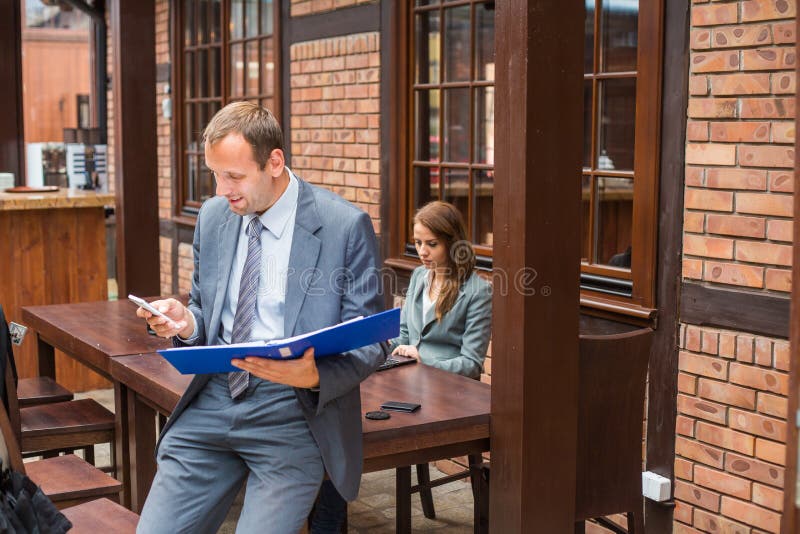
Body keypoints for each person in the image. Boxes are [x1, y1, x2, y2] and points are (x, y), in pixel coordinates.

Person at [133, 101, 386, 533]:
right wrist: (185, 322)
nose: (221, 190)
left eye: (233, 176)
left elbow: (372, 339)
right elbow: (202, 308)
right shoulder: (214, 217)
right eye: (215, 174)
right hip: (212, 400)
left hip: (292, 412)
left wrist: (314, 376)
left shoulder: (344, 226)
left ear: (274, 162)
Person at [392, 201, 492, 379]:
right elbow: (404, 335)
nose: (422, 252)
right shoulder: (418, 275)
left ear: (452, 243)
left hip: (449, 391)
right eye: (417, 242)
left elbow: (472, 364)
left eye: (432, 244)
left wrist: (423, 361)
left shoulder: (478, 291)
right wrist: (371, 345)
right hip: (409, 381)